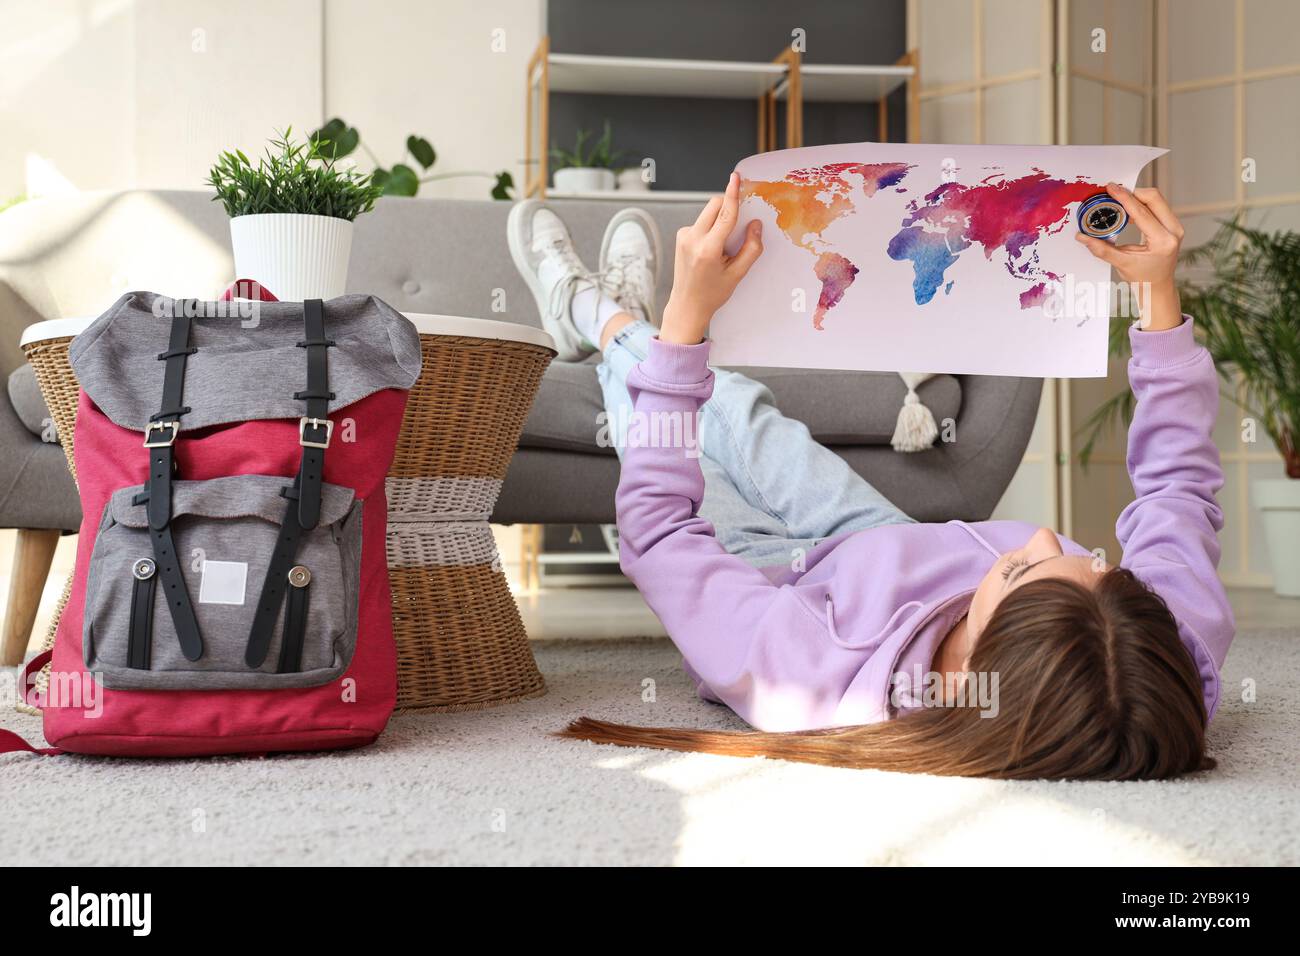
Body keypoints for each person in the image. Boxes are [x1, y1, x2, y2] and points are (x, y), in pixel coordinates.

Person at [506, 174, 1233, 780]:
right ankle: (613, 322)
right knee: (742, 405)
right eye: (1093, 566)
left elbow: (658, 532)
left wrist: (688, 316)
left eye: (1018, 574)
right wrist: (1158, 295)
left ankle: (594, 313)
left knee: (678, 405)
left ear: (962, 674)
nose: (1043, 536)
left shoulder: (810, 676)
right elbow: (1177, 492)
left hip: (772, 580)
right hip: (879, 543)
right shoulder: (1155, 651)